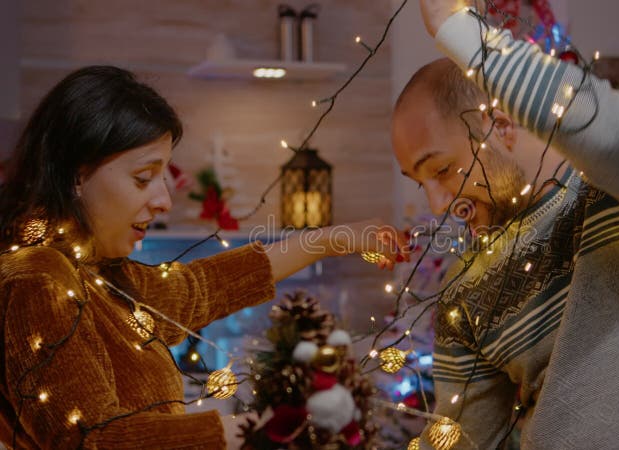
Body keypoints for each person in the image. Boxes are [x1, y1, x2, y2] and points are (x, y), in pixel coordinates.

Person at [390, 1, 619, 449]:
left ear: (499, 124)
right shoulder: (465, 291)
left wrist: (458, 31)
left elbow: (612, 135)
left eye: (441, 170)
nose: (437, 203)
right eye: (418, 182)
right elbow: (461, 440)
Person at [0, 65, 408, 449]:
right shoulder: (38, 279)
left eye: (163, 177)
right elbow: (95, 441)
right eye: (144, 178)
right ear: (77, 175)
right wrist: (255, 431)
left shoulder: (95, 273)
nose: (163, 200)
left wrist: (341, 238)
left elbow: (203, 287)